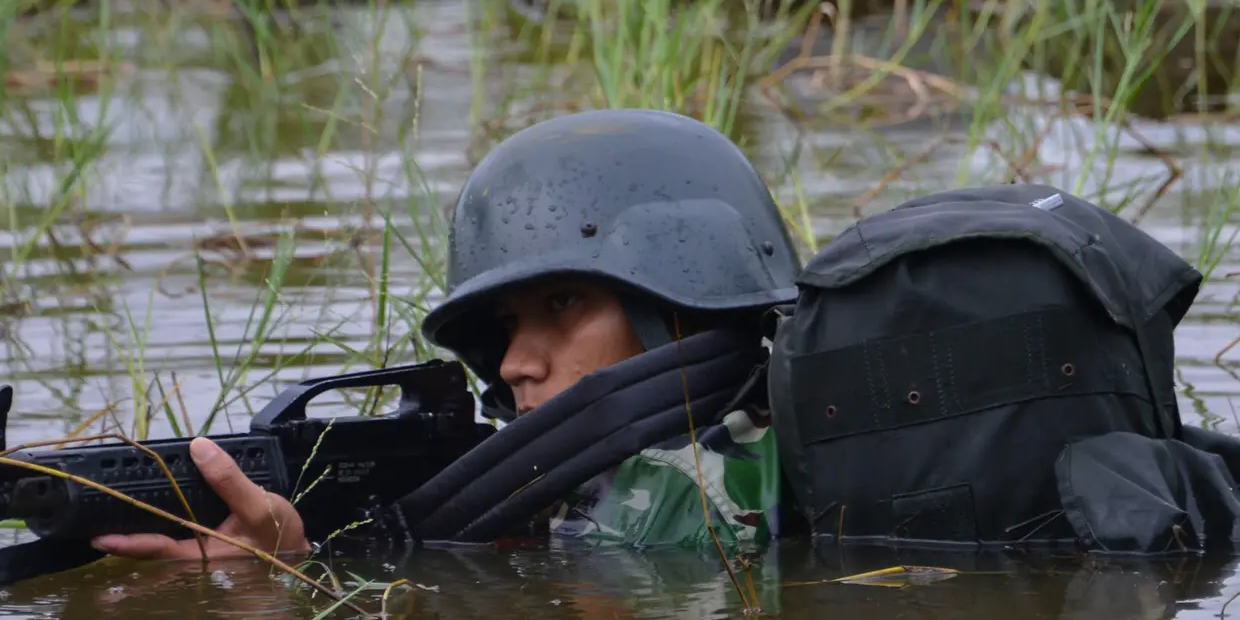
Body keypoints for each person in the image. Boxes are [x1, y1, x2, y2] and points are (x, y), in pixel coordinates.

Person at [94, 108, 799, 563]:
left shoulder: (709, 497)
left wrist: (300, 575)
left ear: (689, 303)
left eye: (563, 301)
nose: (518, 363)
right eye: (506, 328)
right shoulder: (577, 494)